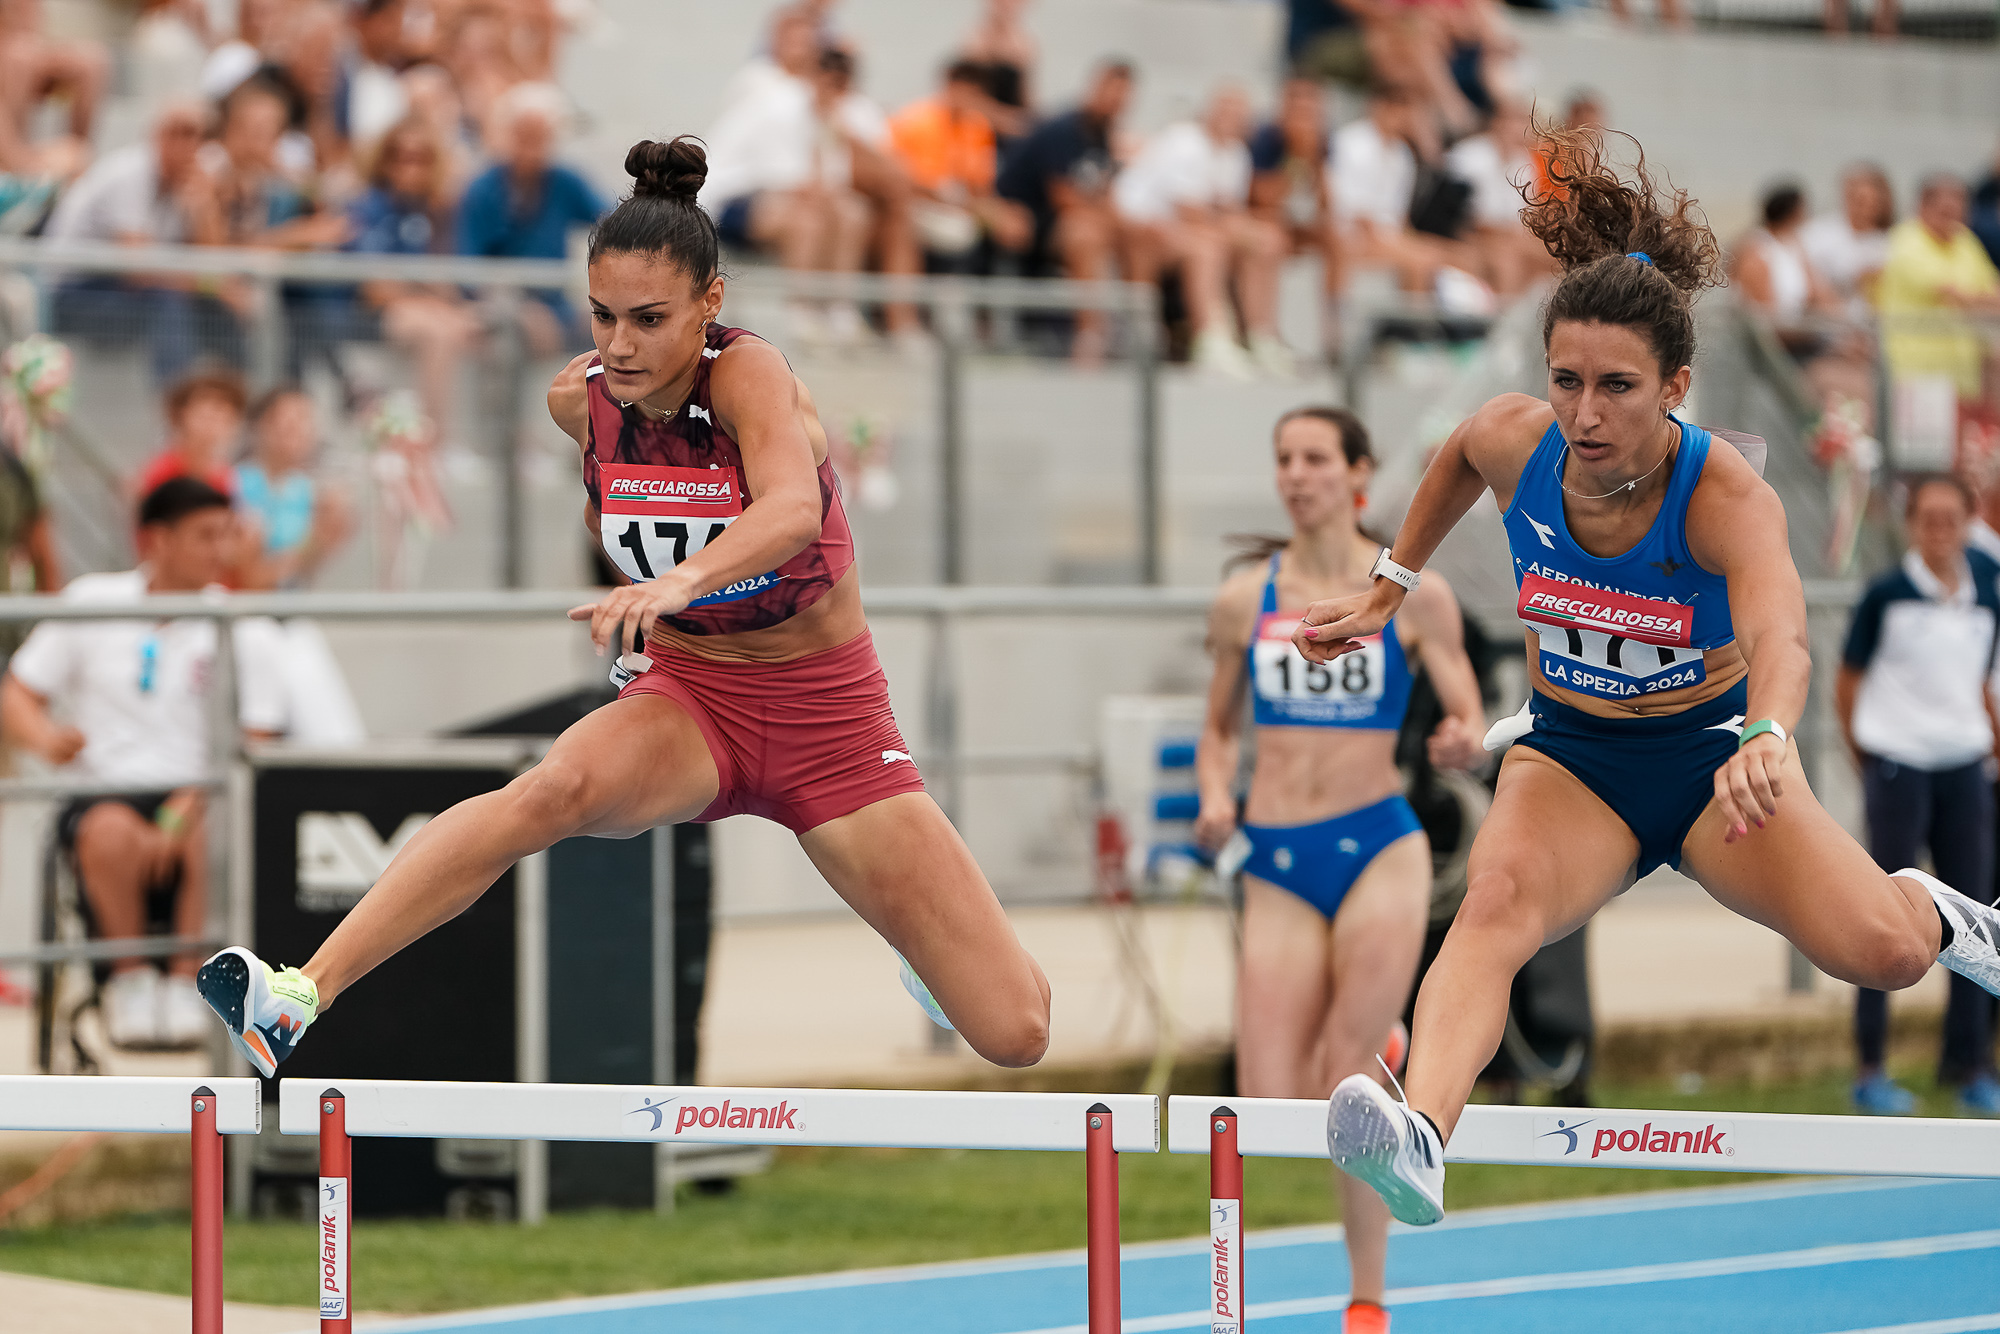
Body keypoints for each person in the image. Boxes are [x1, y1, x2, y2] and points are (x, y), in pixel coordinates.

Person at [196, 136, 1053, 1079]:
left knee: (1015, 1032)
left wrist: (682, 583)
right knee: (547, 793)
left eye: (649, 319)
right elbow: (634, 512)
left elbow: (791, 507)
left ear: (710, 304)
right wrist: (661, 615)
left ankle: (922, 953)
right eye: (602, 316)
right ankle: (299, 995)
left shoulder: (748, 374)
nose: (620, 345)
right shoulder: (581, 402)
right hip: (692, 697)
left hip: (827, 715)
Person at [1293, 128, 2000, 1229]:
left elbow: (1782, 637)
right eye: (1565, 381)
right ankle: (1424, 1132)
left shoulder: (1721, 496)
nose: (1584, 415)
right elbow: (1453, 461)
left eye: (1616, 388)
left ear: (1673, 385)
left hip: (1714, 761)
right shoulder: (1511, 440)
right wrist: (1388, 581)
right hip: (1572, 758)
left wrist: (1766, 732)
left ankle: (1950, 916)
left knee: (1883, 952)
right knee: (1493, 905)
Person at [1194, 406, 1485, 1334]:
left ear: (1359, 473)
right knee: (1271, 1097)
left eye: (1316, 457)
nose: (1296, 473)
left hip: (1376, 843)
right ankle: (1387, 1045)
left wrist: (1457, 737)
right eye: (1283, 458)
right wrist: (1214, 796)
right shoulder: (1248, 596)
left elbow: (1466, 713)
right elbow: (1217, 728)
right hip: (1278, 854)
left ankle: (1368, 1298)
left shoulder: (1411, 593)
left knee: (1343, 1083)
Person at [1, 478, 287, 1049]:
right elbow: (18, 691)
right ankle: (127, 982)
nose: (220, 551)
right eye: (205, 535)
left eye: (226, 535)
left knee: (215, 830)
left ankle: (191, 984)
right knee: (109, 832)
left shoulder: (239, 623)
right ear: (157, 539)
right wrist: (47, 737)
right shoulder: (91, 603)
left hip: (199, 791)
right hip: (102, 793)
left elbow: (260, 732)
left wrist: (185, 806)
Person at [1837, 474, 2000, 1116]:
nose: (1938, 532)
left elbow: (1979, 680)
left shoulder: (1987, 591)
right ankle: (1871, 1066)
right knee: (1881, 918)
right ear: (1911, 525)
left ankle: (1969, 1065)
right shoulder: (1885, 595)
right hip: (1900, 769)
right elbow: (1847, 684)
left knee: (1976, 925)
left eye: (1949, 520)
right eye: (1926, 520)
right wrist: (1871, 762)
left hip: (1965, 770)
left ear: (1968, 522)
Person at [1115, 84, 1290, 378]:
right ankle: (1210, 339)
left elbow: (1227, 210)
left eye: (1238, 112)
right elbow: (1189, 212)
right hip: (1140, 230)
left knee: (1266, 243)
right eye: (1225, 109)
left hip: (1182, 231)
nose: (1230, 117)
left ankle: (1261, 337)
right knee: (1209, 247)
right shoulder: (1184, 142)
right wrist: (1241, 228)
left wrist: (1251, 233)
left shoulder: (1236, 153)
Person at [456, 81, 610, 353]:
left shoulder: (565, 182)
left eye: (540, 138)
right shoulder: (482, 188)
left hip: (554, 303)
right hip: (493, 303)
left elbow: (612, 220)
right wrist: (510, 302)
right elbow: (468, 263)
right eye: (522, 136)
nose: (530, 148)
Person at [994, 58, 1132, 360]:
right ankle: (1090, 332)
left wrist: (1120, 223)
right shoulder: (1064, 129)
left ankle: (1137, 324)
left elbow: (1103, 192)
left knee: (1135, 233)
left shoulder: (1102, 134)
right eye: (1113, 91)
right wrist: (1107, 218)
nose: (1117, 100)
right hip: (1028, 221)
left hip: (1067, 221)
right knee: (1085, 233)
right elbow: (1063, 197)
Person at [889, 59, 1032, 272]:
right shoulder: (914, 121)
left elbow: (979, 186)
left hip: (960, 205)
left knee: (1017, 224)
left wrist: (999, 212)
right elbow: (905, 181)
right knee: (958, 231)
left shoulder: (977, 126)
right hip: (919, 205)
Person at [1877, 174, 2000, 407]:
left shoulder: (1965, 241)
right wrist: (1980, 299)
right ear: (1923, 206)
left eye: (1959, 209)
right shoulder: (1907, 242)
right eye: (1945, 211)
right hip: (1916, 373)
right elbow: (1957, 296)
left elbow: (1992, 288)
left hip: (1963, 372)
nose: (1953, 217)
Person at [234, 386, 354, 589]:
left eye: (306, 420)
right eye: (291, 420)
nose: (301, 429)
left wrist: (325, 536)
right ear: (261, 425)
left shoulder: (306, 490)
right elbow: (248, 578)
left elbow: (304, 570)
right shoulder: (233, 484)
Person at [1802, 162, 1894, 320]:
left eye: (1873, 202)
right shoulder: (1819, 233)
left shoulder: (1887, 242)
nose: (1867, 208)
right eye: (1860, 201)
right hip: (1823, 321)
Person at [138, 370, 247, 500]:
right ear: (181, 414)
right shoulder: (162, 471)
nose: (213, 419)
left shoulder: (229, 477)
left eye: (222, 414)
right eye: (204, 415)